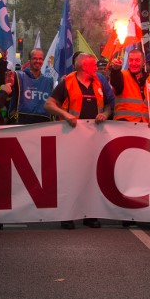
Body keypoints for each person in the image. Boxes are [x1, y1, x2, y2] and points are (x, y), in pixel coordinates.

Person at [46, 52, 111, 229]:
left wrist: (104, 114)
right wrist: (65, 115)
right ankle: (67, 214)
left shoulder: (98, 82)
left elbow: (108, 105)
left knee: (90, 175)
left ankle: (89, 214)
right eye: (93, 64)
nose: (96, 67)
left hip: (92, 138)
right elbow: (49, 104)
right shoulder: (67, 82)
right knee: (70, 176)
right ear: (82, 66)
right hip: (70, 137)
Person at [109, 48, 150, 126]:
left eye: (137, 60)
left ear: (144, 62)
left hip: (147, 127)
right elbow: (115, 82)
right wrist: (115, 70)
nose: (134, 63)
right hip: (124, 127)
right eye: (131, 60)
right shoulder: (122, 75)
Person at [9, 48, 55, 124]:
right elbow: (8, 92)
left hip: (44, 122)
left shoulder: (49, 80)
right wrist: (3, 62)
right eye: (35, 58)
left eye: (40, 59)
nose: (38, 61)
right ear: (29, 60)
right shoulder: (18, 76)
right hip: (23, 121)